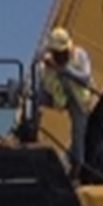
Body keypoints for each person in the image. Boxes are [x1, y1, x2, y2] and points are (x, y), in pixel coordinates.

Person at [32, 26, 93, 176]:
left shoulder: (79, 55)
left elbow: (86, 79)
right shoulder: (47, 56)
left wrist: (65, 70)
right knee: (33, 99)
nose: (57, 55)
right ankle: (30, 134)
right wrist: (43, 63)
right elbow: (36, 66)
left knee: (78, 134)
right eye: (54, 52)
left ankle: (76, 168)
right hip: (56, 95)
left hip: (77, 99)